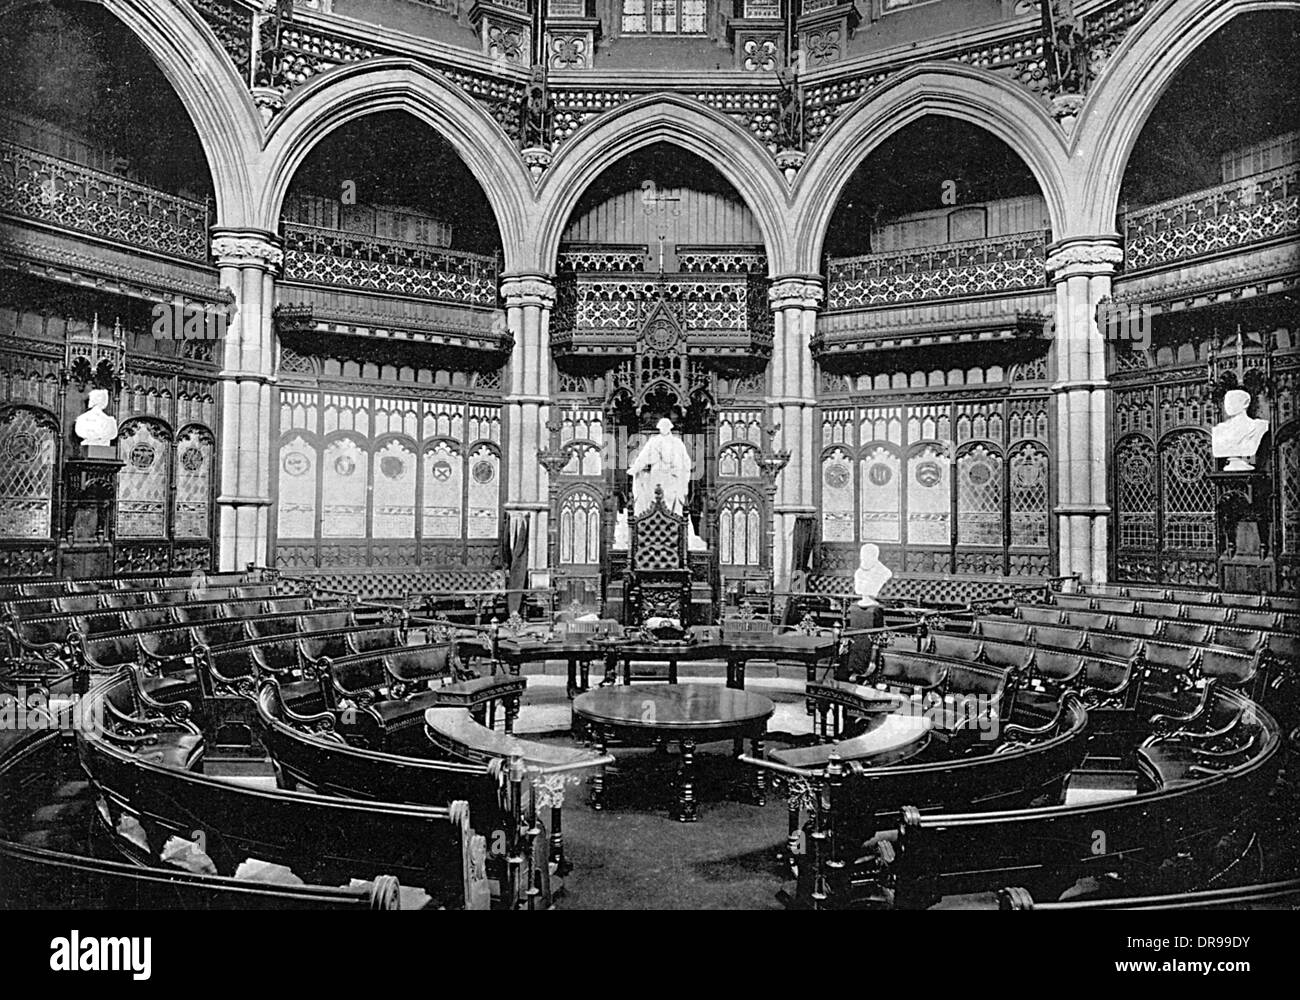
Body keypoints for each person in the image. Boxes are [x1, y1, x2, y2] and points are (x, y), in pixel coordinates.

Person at [628, 417, 692, 516]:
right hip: (657, 473)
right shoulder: (654, 441)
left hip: (671, 475)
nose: (664, 428)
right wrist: (636, 467)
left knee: (670, 499)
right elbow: (644, 456)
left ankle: (671, 520)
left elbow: (685, 460)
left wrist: (683, 474)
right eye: (662, 426)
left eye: (666, 426)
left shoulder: (677, 442)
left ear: (670, 427)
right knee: (655, 497)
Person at [1211, 389, 1269, 471]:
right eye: (1226, 401)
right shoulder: (1219, 429)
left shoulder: (1258, 426)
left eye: (1233, 401)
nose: (1228, 405)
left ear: (1246, 403)